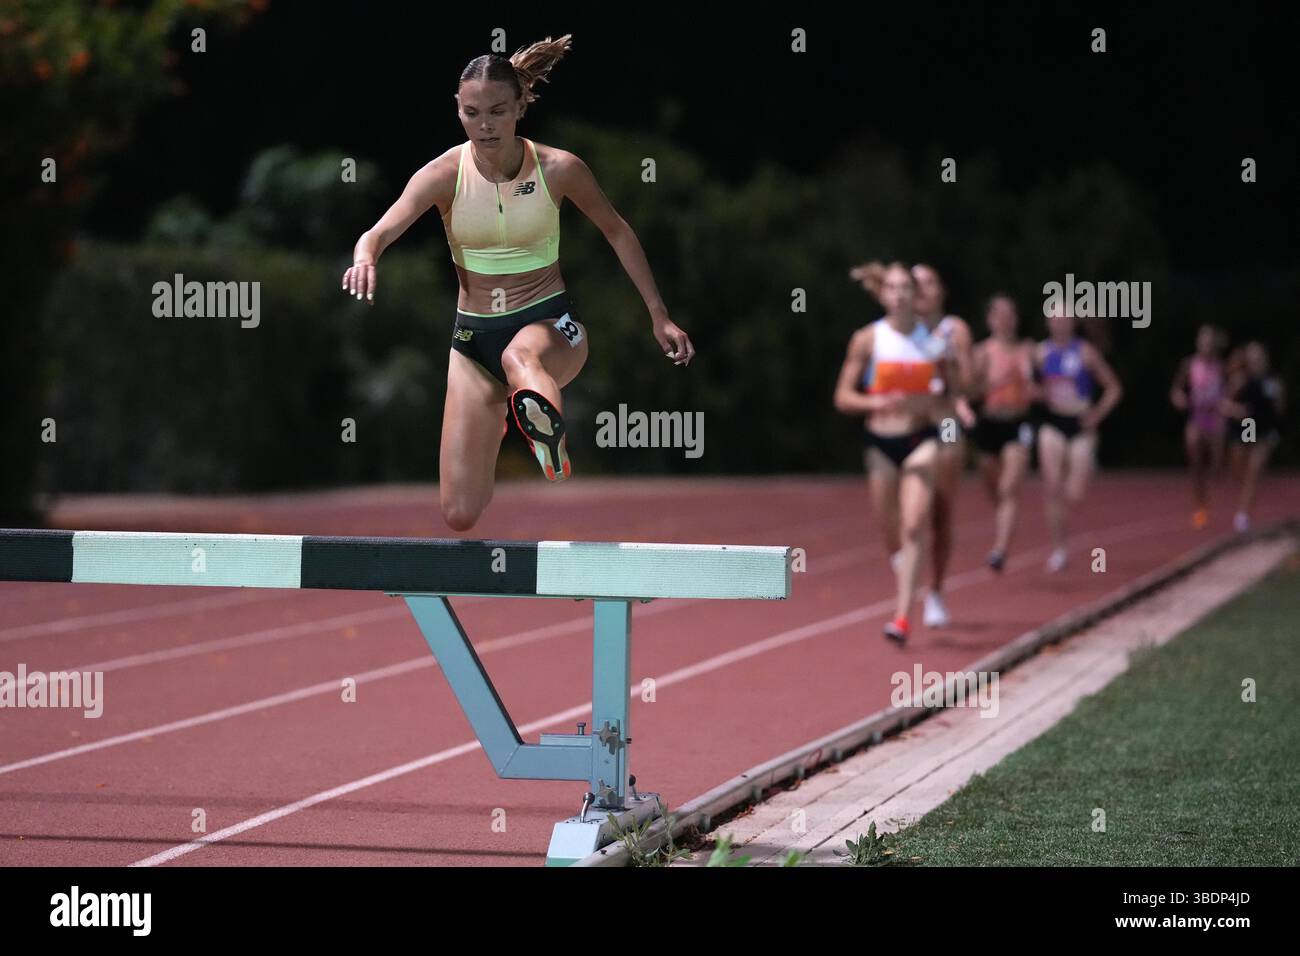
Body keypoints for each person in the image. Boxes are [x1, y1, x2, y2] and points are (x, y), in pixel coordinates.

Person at [341, 35, 693, 530]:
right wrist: (365, 257)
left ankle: (547, 436)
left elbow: (617, 230)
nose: (484, 125)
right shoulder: (443, 175)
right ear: (458, 109)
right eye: (472, 113)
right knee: (459, 514)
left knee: (519, 357)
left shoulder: (559, 169)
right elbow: (378, 232)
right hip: (472, 340)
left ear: (521, 105)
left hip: (550, 325)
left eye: (497, 112)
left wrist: (659, 315)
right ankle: (508, 417)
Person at [836, 261, 948, 644]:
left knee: (914, 524)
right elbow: (843, 397)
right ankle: (903, 564)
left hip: (921, 439)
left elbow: (952, 390)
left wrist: (945, 393)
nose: (899, 294)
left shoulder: (933, 341)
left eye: (906, 288)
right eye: (893, 287)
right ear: (883, 294)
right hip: (881, 442)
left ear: (916, 295)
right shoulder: (868, 339)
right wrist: (876, 403)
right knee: (888, 527)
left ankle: (901, 618)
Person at [1034, 307, 1123, 572]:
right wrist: (1036, 394)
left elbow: (1114, 388)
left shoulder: (1085, 352)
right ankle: (1059, 548)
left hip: (1081, 425)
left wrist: (1097, 415)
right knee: (1052, 487)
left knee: (1075, 494)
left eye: (1064, 319)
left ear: (1073, 323)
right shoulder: (1040, 353)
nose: (1059, 323)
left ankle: (1083, 474)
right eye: (1055, 319)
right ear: (1048, 322)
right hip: (1053, 423)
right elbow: (1030, 385)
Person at [910, 264, 975, 627]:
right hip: (911, 425)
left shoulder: (955, 329)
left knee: (941, 512)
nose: (921, 289)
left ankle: (935, 590)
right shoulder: (897, 329)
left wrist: (952, 367)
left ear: (941, 290)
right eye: (915, 283)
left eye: (929, 282)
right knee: (911, 513)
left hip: (946, 424)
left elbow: (969, 381)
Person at [970, 294, 1037, 571]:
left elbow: (1048, 380)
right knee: (994, 486)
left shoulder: (1029, 350)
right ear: (990, 320)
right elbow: (969, 392)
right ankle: (1005, 518)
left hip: (1019, 423)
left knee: (1009, 486)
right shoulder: (982, 353)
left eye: (1010, 314)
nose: (1005, 320)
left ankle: (999, 550)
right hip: (989, 423)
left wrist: (1035, 387)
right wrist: (992, 384)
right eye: (999, 314)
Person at [1221, 341, 1285, 531]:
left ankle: (1243, 515)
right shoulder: (1239, 380)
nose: (1256, 362)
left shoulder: (1273, 382)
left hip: (1264, 431)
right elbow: (1224, 404)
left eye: (1260, 357)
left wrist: (1278, 399)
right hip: (1245, 429)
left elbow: (1280, 410)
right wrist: (1237, 410)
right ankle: (1243, 499)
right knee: (1239, 471)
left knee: (1254, 471)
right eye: (1252, 358)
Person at [1170, 324, 1228, 529]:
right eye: (1203, 341)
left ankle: (1215, 483)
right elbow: (1176, 388)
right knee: (1195, 464)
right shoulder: (1189, 364)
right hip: (1197, 419)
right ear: (1197, 342)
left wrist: (1228, 404)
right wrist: (1179, 398)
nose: (1206, 345)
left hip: (1216, 420)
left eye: (1209, 342)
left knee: (1217, 465)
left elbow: (1230, 389)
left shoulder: (1222, 366)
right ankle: (1200, 507)